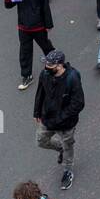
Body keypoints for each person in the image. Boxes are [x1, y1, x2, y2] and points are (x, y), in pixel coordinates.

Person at [34, 50, 85, 190]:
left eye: (50, 64)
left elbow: (78, 103)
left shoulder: (72, 77)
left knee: (68, 145)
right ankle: (61, 148)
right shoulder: (45, 74)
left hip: (66, 123)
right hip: (47, 119)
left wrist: (61, 117)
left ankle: (68, 171)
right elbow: (40, 92)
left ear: (60, 65)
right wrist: (37, 112)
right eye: (46, 63)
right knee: (41, 140)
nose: (46, 66)